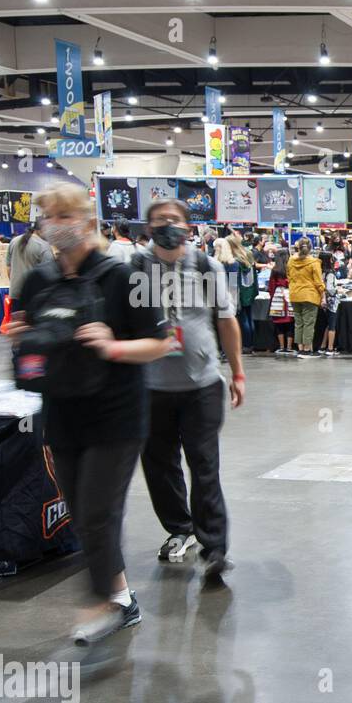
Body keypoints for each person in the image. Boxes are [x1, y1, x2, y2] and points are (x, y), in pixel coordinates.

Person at [3, 183, 170, 644]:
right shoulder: (38, 280)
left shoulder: (124, 276)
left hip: (116, 416)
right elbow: (22, 330)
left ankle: (101, 603)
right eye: (46, 216)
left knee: (97, 511)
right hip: (61, 412)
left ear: (87, 220)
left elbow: (161, 342)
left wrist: (112, 346)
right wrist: (22, 337)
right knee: (81, 513)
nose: (53, 225)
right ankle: (121, 597)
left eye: (62, 215)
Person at [133, 198, 245, 582]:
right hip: (149, 387)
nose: (168, 225)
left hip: (202, 384)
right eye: (160, 219)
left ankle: (214, 548)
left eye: (176, 219)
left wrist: (239, 372)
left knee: (204, 464)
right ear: (147, 228)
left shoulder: (205, 266)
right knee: (159, 464)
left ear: (188, 226)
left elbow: (227, 322)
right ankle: (180, 528)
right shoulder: (132, 269)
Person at [5, 218, 54, 315]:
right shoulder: (43, 246)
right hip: (35, 297)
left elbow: (8, 268)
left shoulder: (14, 241)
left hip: (15, 293)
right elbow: (50, 275)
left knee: (18, 326)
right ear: (42, 230)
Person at [287, 238, 324, 359]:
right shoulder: (314, 262)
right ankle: (307, 350)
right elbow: (318, 282)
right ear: (310, 248)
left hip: (294, 294)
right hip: (310, 295)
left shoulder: (291, 260)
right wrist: (322, 296)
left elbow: (289, 276)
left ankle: (300, 349)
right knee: (309, 323)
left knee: (298, 323)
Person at [226, 234, 257, 355]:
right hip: (249, 291)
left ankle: (246, 345)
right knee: (249, 318)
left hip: (240, 293)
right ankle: (250, 344)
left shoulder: (235, 261)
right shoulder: (248, 255)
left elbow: (234, 282)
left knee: (243, 319)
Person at [267, 249, 294, 356]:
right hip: (290, 295)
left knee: (279, 324)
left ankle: (281, 347)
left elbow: (271, 287)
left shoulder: (275, 270)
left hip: (278, 297)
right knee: (290, 323)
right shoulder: (290, 269)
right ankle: (289, 347)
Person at [319, 250, 341, 357]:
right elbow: (330, 288)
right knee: (332, 325)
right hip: (331, 301)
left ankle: (323, 346)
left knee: (328, 324)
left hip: (323, 300)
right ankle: (330, 348)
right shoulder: (330, 273)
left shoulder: (321, 272)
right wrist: (338, 290)